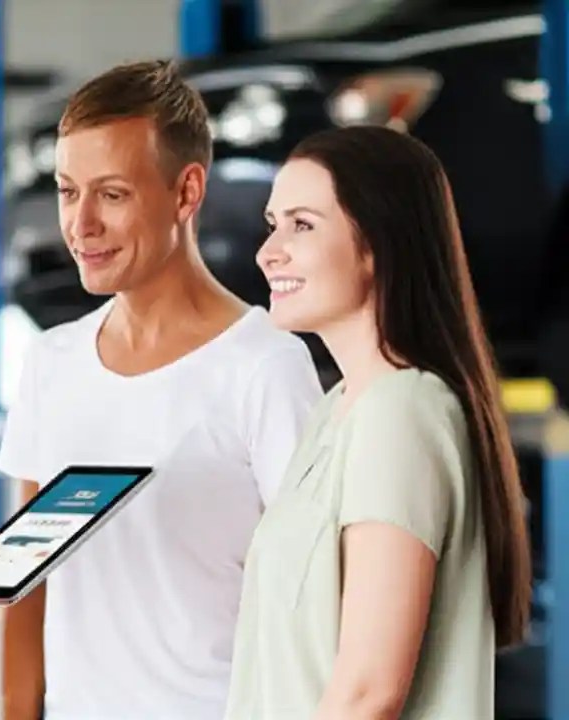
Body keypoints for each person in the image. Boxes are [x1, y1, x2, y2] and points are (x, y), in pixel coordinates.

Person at [0, 60, 323, 720]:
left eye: (111, 194)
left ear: (186, 191)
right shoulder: (50, 363)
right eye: (66, 191)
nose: (80, 224)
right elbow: (26, 589)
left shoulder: (266, 366)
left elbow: (312, 603)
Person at [225, 126, 533, 718]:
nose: (269, 251)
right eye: (272, 223)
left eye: (303, 225)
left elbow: (369, 692)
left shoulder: (402, 410)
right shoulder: (336, 411)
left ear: (378, 244)